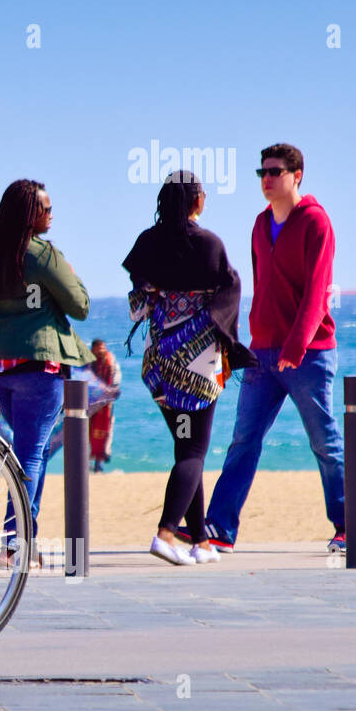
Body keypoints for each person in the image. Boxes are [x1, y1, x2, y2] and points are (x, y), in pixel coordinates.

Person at [181, 143, 345, 553]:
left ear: (297, 175)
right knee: (243, 441)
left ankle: (348, 526)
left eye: (274, 171)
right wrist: (244, 342)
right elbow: (258, 288)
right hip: (263, 353)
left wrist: (295, 344)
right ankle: (220, 528)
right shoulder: (259, 224)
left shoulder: (316, 223)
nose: (266, 179)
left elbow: (317, 293)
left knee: (324, 441)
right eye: (262, 172)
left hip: (308, 354)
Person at [124, 171, 257, 565]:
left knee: (185, 446)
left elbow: (138, 300)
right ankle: (166, 533)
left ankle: (199, 540)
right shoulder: (209, 244)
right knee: (195, 450)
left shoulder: (149, 242)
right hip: (198, 364)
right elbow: (229, 293)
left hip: (159, 362)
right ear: (197, 200)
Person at [0, 180, 93, 563]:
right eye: (47, 209)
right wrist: (69, 272)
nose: (52, 215)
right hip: (36, 367)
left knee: (23, 452)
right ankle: (17, 542)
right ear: (31, 214)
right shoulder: (42, 253)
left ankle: (18, 539)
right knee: (32, 455)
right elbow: (81, 306)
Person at [87, 340, 121, 472]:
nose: (100, 351)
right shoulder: (89, 362)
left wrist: (110, 392)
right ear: (93, 349)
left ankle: (98, 464)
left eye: (102, 348)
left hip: (105, 404)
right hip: (90, 402)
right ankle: (87, 463)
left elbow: (116, 379)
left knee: (104, 431)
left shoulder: (110, 362)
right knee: (87, 432)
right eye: (98, 348)